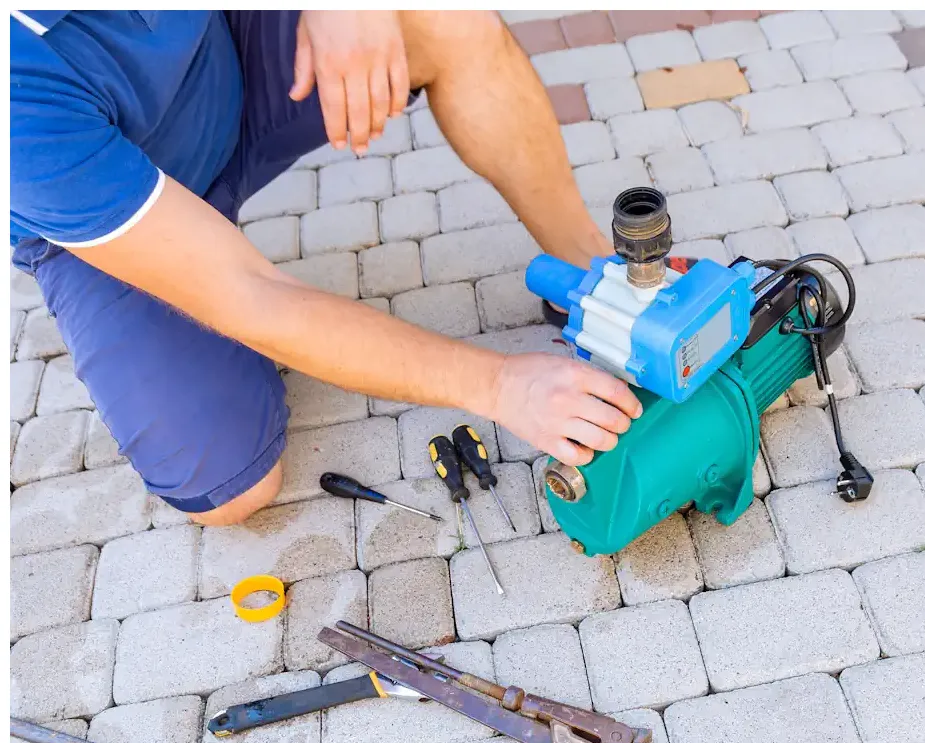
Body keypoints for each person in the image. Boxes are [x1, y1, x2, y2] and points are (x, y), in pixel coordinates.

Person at [9, 10, 642, 526]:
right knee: (231, 489)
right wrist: (503, 386)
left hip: (225, 63)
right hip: (113, 223)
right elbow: (249, 294)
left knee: (445, 19)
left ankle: (595, 281)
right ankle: (191, 276)